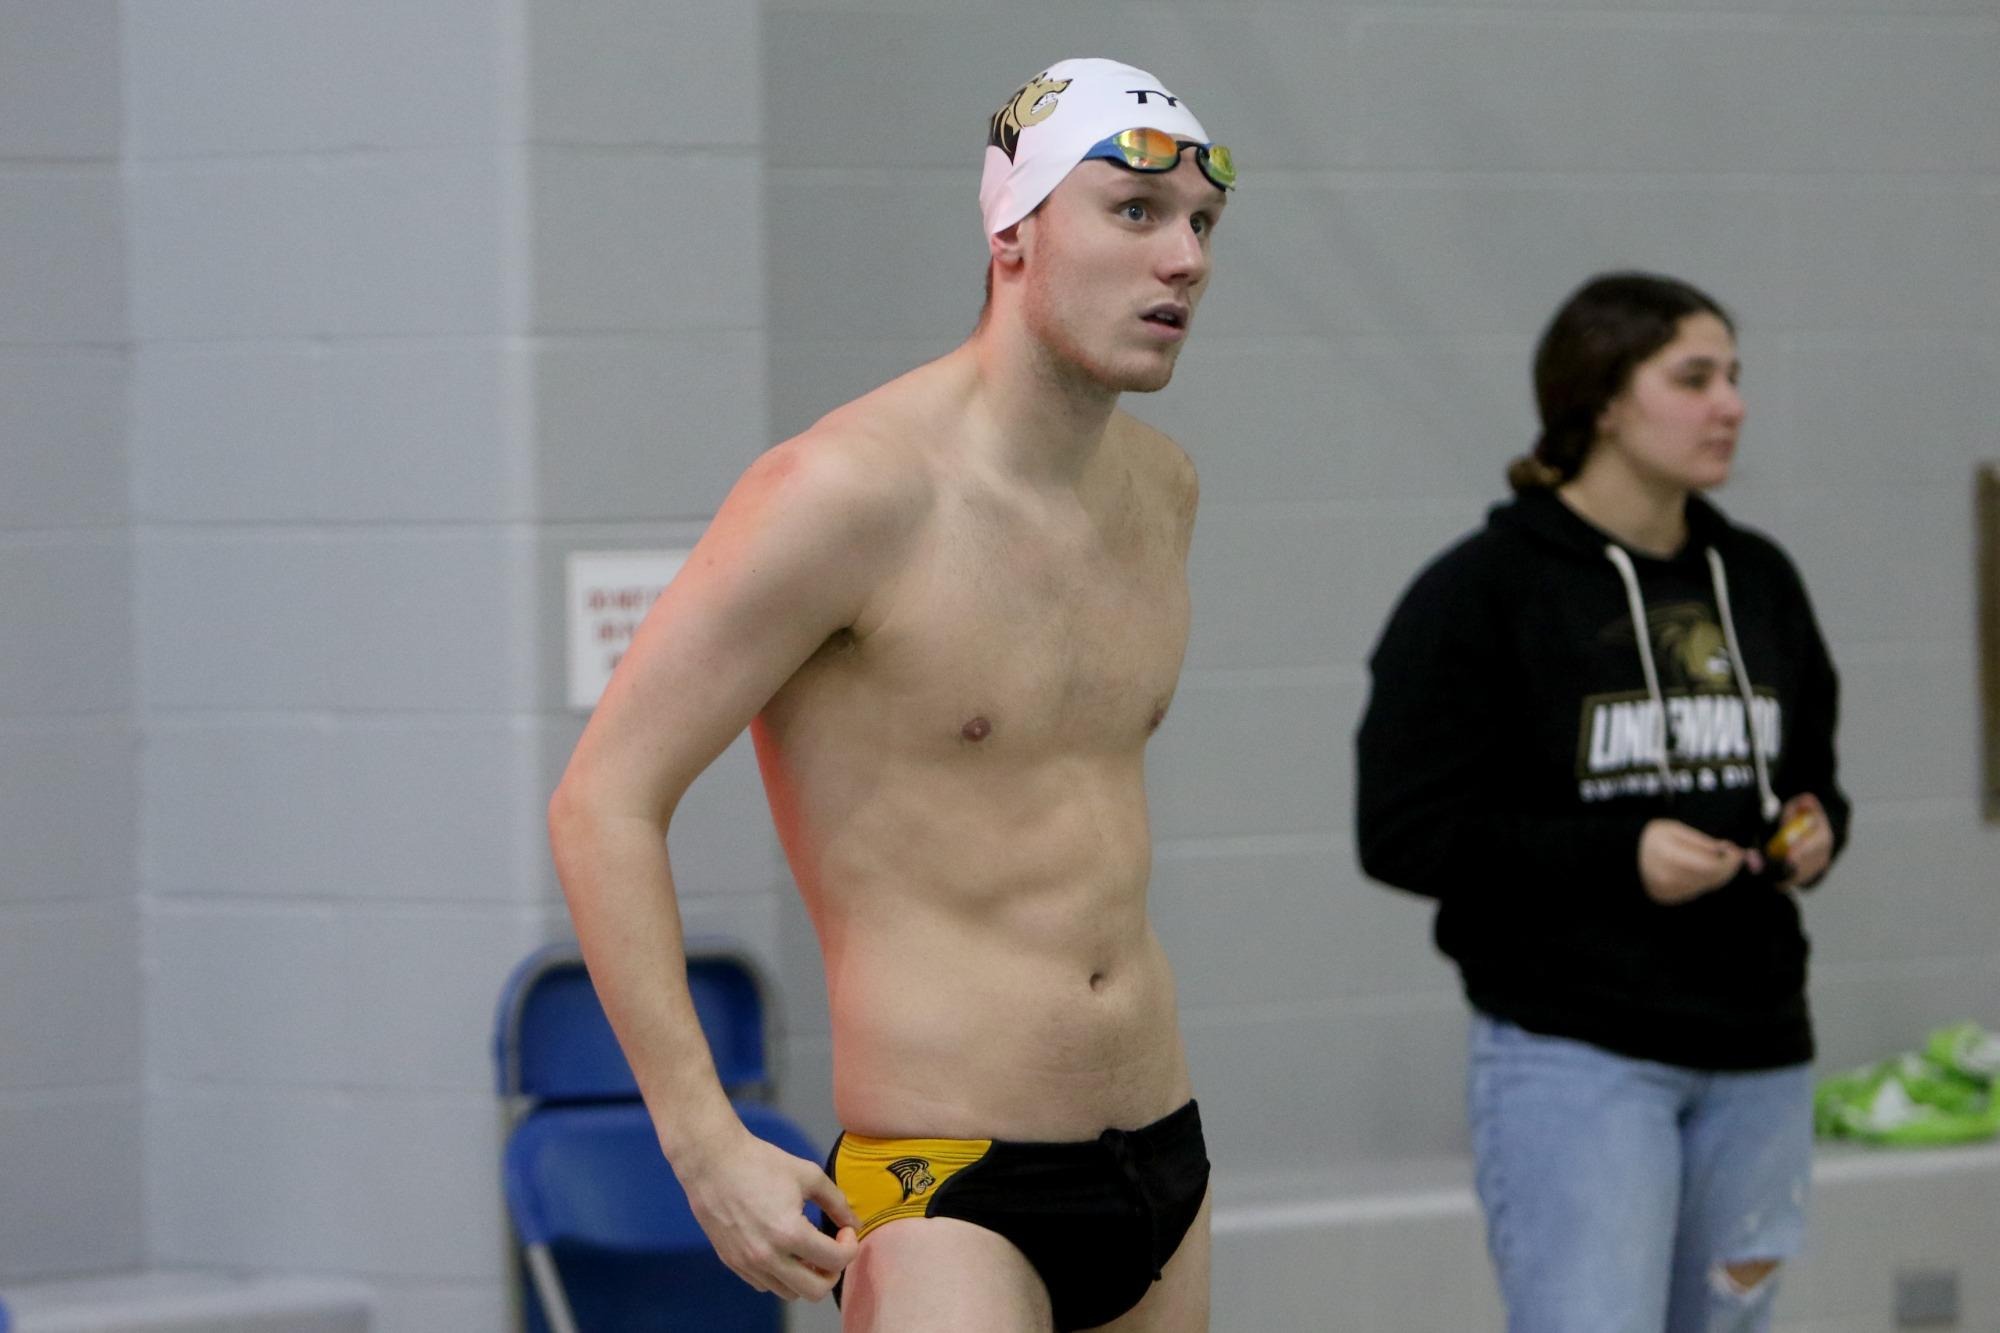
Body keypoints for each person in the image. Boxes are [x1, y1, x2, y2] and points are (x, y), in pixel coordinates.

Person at [547, 57, 1234, 1332]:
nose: (1182, 257)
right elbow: (604, 800)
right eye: (1133, 213)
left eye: (1200, 222)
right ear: (1013, 230)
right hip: (946, 1188)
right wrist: (704, 1142)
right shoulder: (843, 494)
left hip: (1161, 1158)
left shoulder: (1161, 491)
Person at [1355, 272, 1849, 1333]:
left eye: (1732, 377)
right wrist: (1615, 857)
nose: (1731, 403)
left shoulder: (1757, 579)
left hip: (1758, 1045)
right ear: (1602, 400)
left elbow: (1810, 773)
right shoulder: (1482, 590)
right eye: (1693, 377)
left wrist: (1815, 829)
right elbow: (1401, 831)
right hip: (1574, 1053)